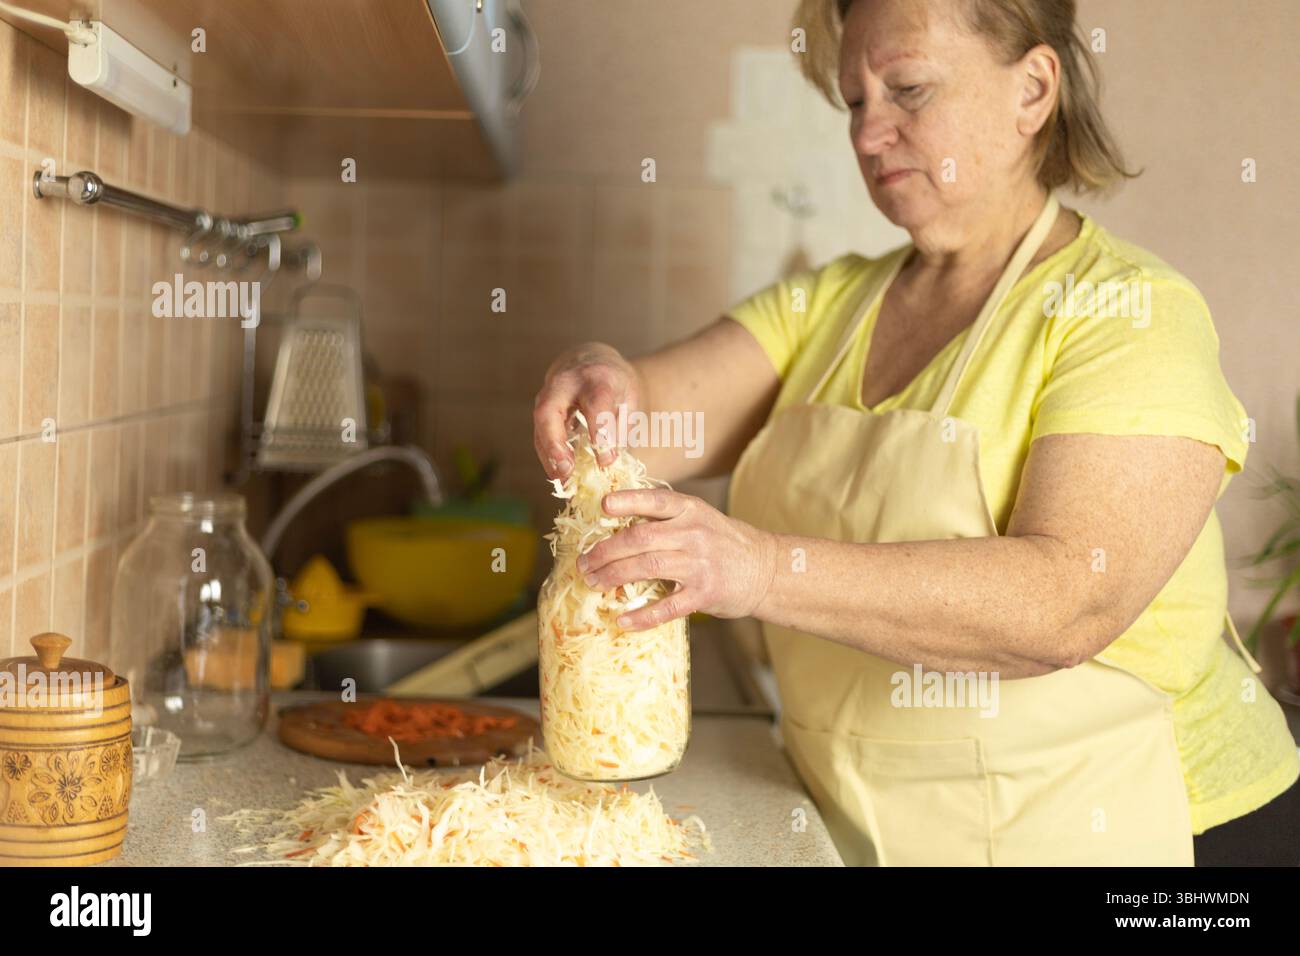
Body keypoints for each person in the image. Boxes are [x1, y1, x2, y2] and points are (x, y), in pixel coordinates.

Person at [532, 0, 1298, 865]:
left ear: (1033, 90)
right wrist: (603, 372)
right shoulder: (828, 303)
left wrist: (757, 568)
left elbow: (1065, 603)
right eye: (856, 102)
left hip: (1154, 839)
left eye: (908, 89)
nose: (868, 134)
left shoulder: (1128, 313)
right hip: (877, 833)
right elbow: (646, 417)